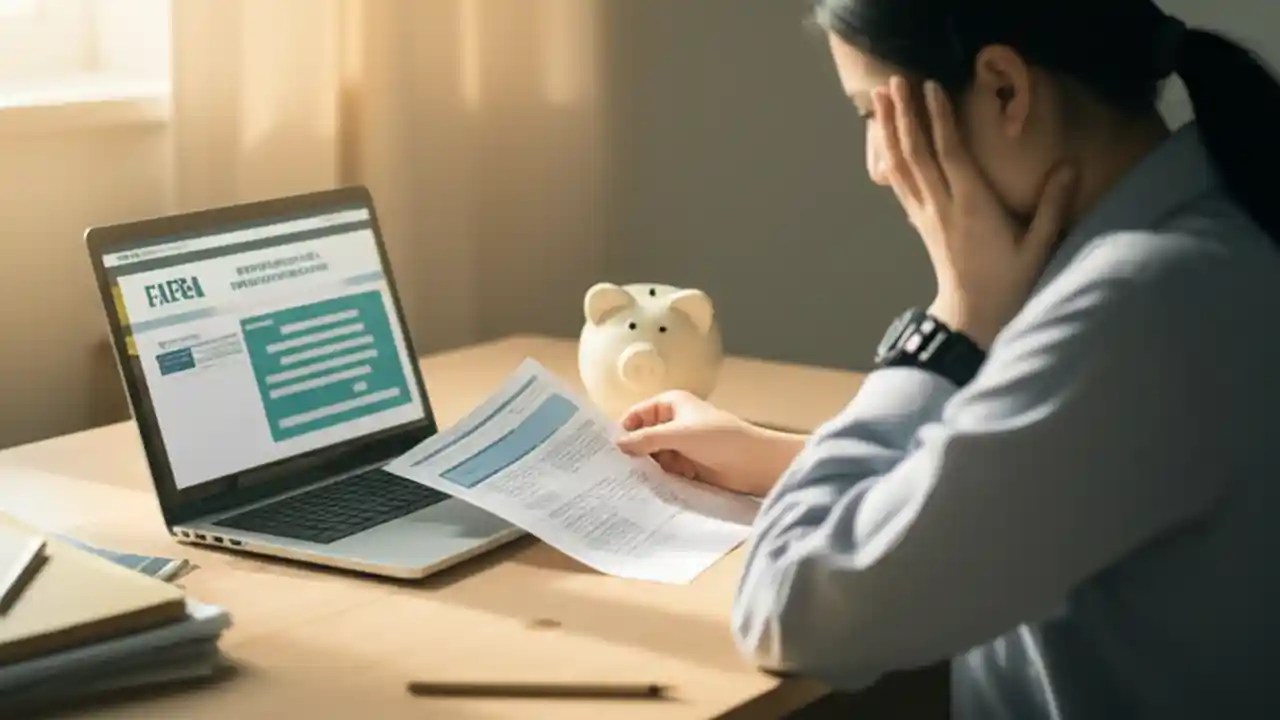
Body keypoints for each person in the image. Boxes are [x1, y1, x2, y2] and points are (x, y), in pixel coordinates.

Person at [614, 1, 1280, 718]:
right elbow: (1068, 473)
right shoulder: (1219, 218)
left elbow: (789, 610)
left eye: (874, 112)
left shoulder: (1143, 304)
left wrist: (948, 326)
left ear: (1003, 89)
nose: (877, 166)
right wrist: (774, 459)